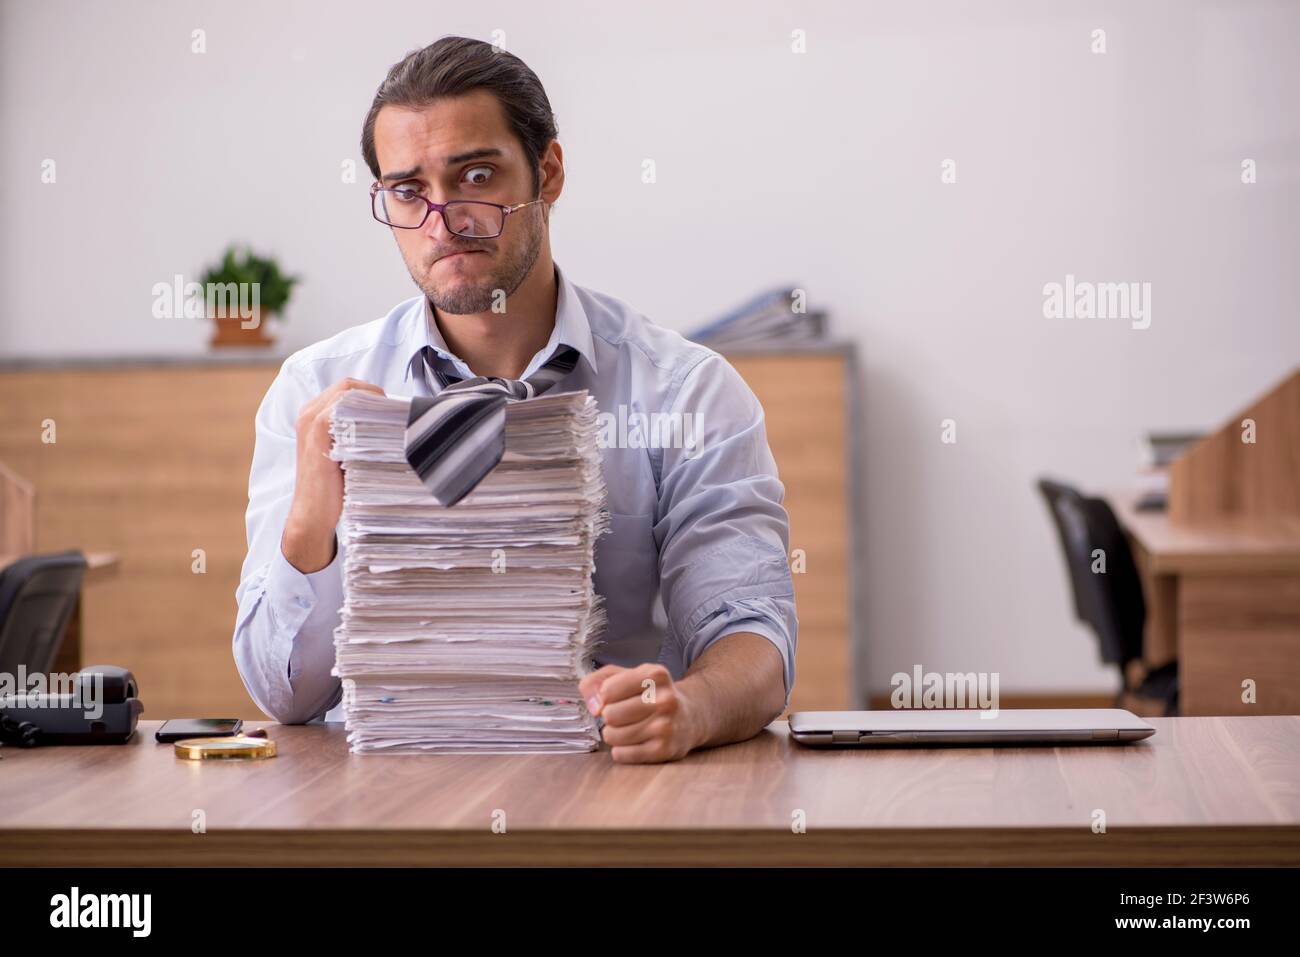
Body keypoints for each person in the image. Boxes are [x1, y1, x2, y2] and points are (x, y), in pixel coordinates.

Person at [233, 36, 797, 763]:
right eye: (408, 190)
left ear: (548, 173)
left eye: (475, 174)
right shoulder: (312, 394)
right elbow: (284, 699)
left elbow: (752, 637)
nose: (443, 219)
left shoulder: (687, 391)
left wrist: (691, 707)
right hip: (382, 807)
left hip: (608, 793)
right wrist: (312, 524)